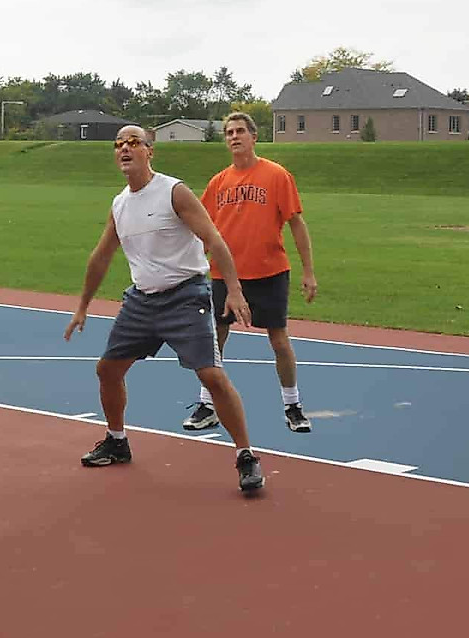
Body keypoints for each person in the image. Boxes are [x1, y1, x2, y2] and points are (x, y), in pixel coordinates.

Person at [63, 125, 265, 494]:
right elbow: (101, 256)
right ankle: (117, 441)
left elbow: (214, 239)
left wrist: (234, 291)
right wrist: (82, 306)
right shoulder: (120, 204)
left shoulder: (174, 192)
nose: (125, 149)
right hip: (142, 300)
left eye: (133, 143)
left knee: (211, 376)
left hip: (185, 296)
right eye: (119, 144)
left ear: (150, 151)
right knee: (107, 370)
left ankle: (246, 455)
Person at [183, 111, 317, 435]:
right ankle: (207, 404)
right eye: (229, 132)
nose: (234, 137)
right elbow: (203, 229)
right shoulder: (218, 182)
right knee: (215, 338)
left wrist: (308, 271)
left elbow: (296, 223)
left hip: (269, 272)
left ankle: (292, 405)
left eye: (240, 131)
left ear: (253, 137)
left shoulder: (276, 175)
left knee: (279, 340)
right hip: (225, 274)